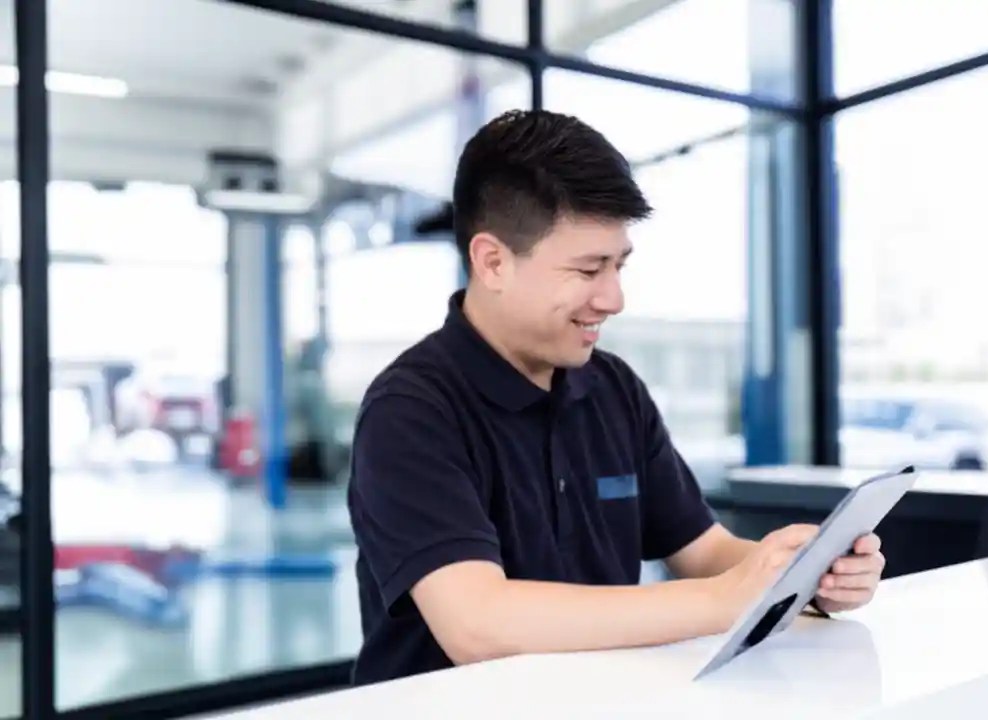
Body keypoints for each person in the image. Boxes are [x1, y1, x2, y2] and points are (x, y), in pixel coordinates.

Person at [346, 109, 886, 686]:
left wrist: (807, 577)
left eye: (619, 265)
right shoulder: (410, 411)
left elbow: (704, 553)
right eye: (588, 269)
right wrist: (725, 599)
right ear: (493, 261)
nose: (614, 298)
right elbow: (479, 624)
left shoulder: (613, 389)